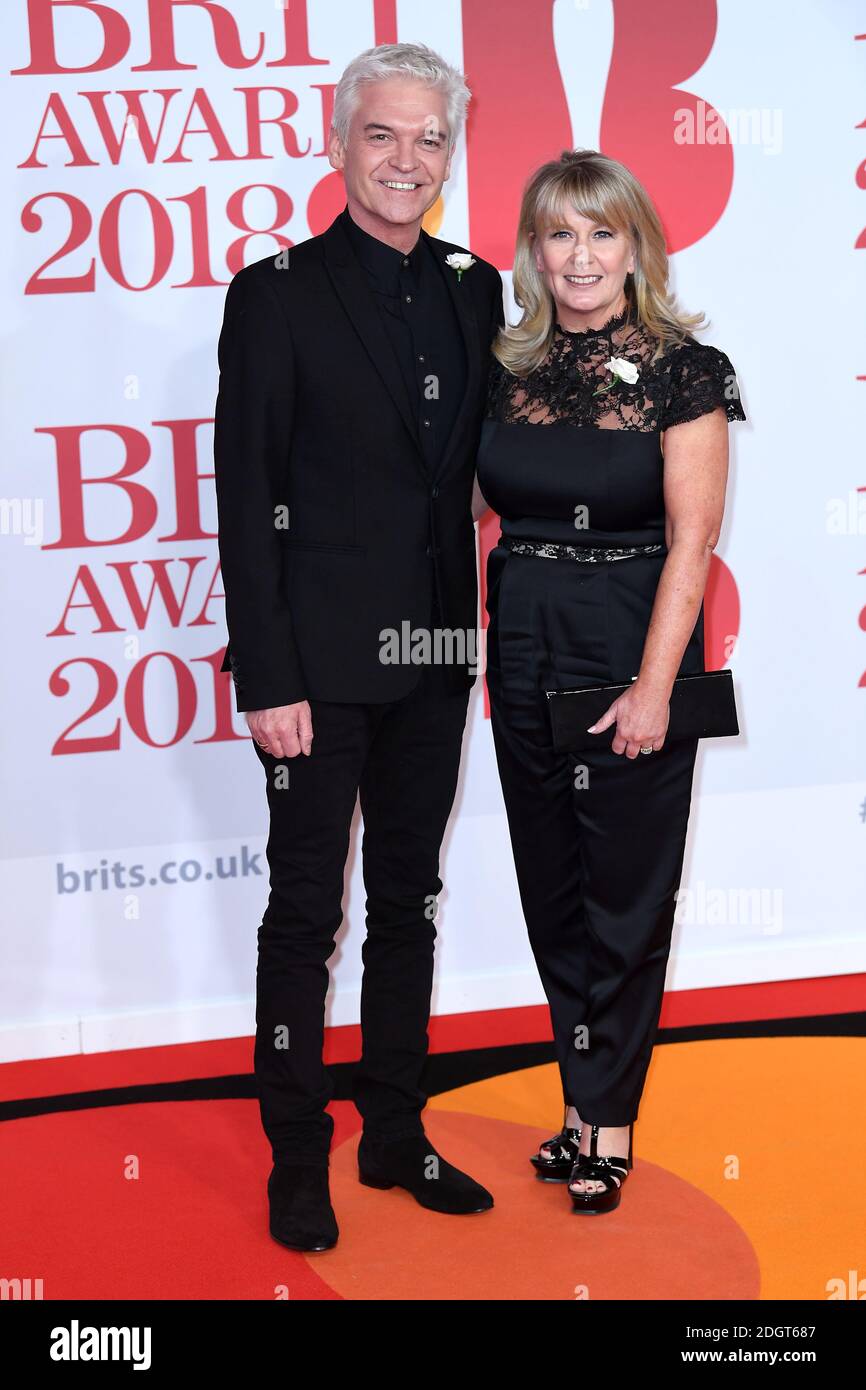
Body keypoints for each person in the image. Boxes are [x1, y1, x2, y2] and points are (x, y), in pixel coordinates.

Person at [213, 42, 504, 1251]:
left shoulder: (473, 285)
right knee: (301, 914)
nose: (405, 159)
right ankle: (295, 1153)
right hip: (318, 670)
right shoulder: (274, 291)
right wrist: (268, 675)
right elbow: (245, 493)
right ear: (339, 145)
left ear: (449, 152)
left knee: (410, 900)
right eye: (381, 135)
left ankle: (393, 1128)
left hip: (436, 650)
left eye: (427, 138)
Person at [475, 148, 746, 1215]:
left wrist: (651, 688)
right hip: (522, 646)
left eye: (600, 232)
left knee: (623, 901)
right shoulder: (503, 369)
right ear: (532, 253)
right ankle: (578, 1104)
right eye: (557, 233)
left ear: (634, 246)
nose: (578, 256)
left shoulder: (687, 369)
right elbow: (463, 515)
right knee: (553, 897)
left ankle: (609, 1124)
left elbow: (693, 544)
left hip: (628, 649)